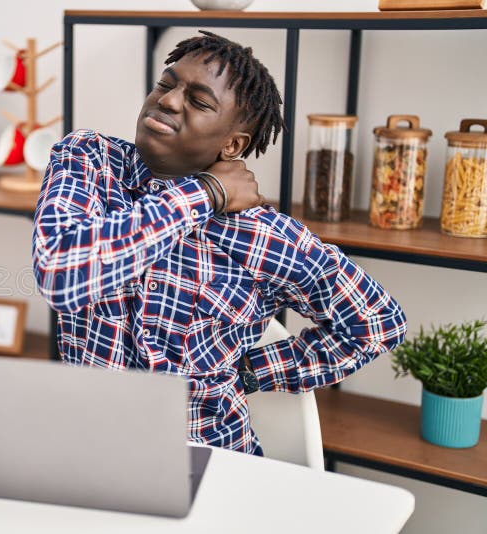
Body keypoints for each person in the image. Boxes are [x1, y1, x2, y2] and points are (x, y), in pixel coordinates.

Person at [32, 31, 407, 455]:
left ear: (233, 145)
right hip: (91, 448)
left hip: (208, 458)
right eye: (165, 84)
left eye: (199, 101)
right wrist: (205, 193)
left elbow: (378, 323)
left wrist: (252, 371)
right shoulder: (90, 160)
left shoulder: (264, 235)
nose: (168, 100)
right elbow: (60, 272)